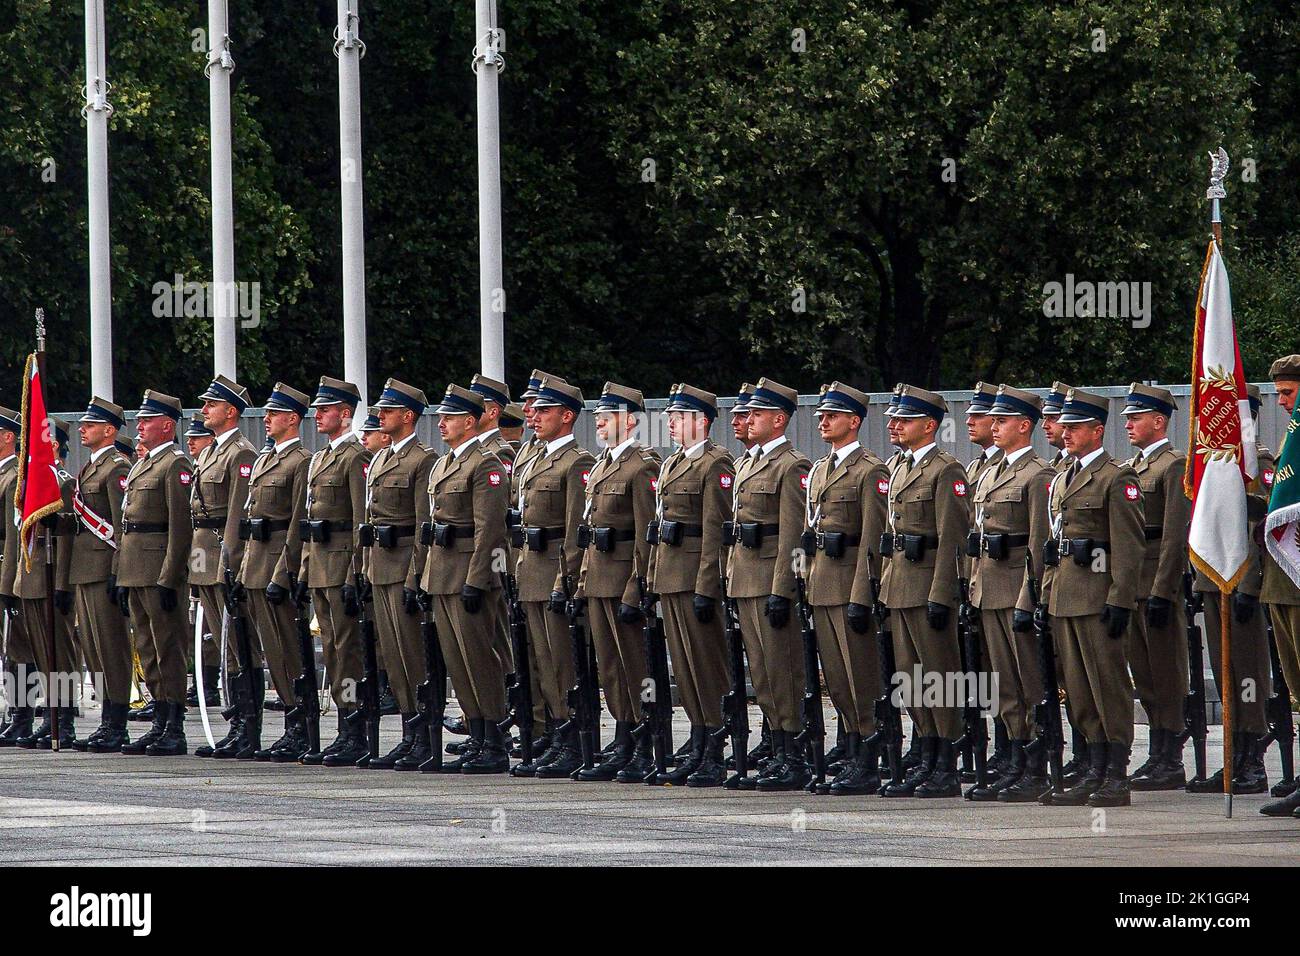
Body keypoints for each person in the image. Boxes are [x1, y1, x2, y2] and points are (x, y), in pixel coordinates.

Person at [1041, 388, 1143, 807]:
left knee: (1107, 686)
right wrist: (1046, 595)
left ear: (1097, 430)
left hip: (1098, 599)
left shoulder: (1116, 477)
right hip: (1065, 597)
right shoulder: (1064, 475)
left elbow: (1129, 546)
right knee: (1080, 691)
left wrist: (1121, 600)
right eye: (1065, 426)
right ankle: (1093, 768)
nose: (1066, 433)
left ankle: (1116, 774)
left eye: (1076, 427)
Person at [879, 385, 970, 797]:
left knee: (938, 677)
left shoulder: (944, 470)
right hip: (899, 586)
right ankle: (928, 754)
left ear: (929, 425)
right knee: (911, 679)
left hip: (928, 586)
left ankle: (946, 764)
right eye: (894, 419)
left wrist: (941, 593)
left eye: (904, 420)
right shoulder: (898, 467)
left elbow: (952, 538)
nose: (894, 425)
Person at [417, 384, 512, 773]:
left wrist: (478, 579)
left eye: (449, 418)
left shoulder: (485, 464)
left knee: (480, 660)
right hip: (441, 573)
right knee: (458, 661)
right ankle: (476, 733)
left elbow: (490, 529)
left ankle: (494, 738)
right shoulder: (443, 464)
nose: (441, 423)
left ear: (469, 422)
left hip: (469, 575)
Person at [966, 386, 1052, 801]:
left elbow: (1038, 544)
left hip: (1016, 592)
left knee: (1027, 681)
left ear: (1024, 426)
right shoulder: (990, 471)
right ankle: (1015, 759)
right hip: (987, 590)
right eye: (993, 420)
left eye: (1001, 421)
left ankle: (1035, 764)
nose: (993, 426)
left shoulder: (1038, 475)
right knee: (1003, 684)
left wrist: (1029, 598)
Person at [804, 382, 889, 794]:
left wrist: (861, 594)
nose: (823, 420)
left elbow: (872, 539)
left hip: (849, 586)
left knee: (860, 678)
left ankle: (869, 758)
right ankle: (853, 749)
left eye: (832, 415)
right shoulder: (821, 469)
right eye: (821, 415)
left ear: (853, 422)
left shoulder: (870, 470)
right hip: (822, 584)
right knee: (836, 680)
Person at [727, 378, 812, 791]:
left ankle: (793, 755)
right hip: (744, 579)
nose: (747, 419)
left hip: (769, 581)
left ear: (778, 420)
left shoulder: (791, 465)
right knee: (760, 674)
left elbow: (793, 534)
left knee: (782, 672)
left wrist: (783, 588)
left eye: (757, 413)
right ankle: (778, 750)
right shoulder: (746, 463)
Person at [647, 384, 734, 785]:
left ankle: (714, 745)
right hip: (671, 574)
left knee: (705, 664)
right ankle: (698, 740)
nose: (671, 424)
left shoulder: (715, 464)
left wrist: (707, 585)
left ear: (700, 421)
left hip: (695, 578)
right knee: (683, 666)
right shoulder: (672, 463)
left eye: (679, 417)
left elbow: (715, 531)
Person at [572, 383, 659, 781]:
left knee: (635, 667)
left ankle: (646, 740)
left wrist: (636, 586)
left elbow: (645, 534)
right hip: (598, 580)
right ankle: (623, 734)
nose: (600, 423)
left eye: (607, 416)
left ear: (630, 421)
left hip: (624, 579)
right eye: (599, 416)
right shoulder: (603, 465)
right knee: (609, 667)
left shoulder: (642, 466)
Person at [512, 378, 595, 778]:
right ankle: (558, 736)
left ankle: (573, 740)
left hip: (556, 574)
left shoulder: (577, 462)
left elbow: (575, 530)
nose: (535, 417)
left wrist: (569, 580)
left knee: (562, 664)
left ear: (567, 416)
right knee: (544, 663)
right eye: (535, 410)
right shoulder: (537, 458)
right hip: (532, 571)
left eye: (544, 411)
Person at [1118, 384, 1192, 792]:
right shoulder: (1135, 466)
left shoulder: (1172, 465)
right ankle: (1157, 752)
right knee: (1144, 674)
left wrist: (1164, 589)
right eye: (1128, 417)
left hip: (1157, 584)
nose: (1128, 423)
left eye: (1136, 417)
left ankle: (1171, 756)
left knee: (1166, 673)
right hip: (1133, 586)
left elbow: (1173, 536)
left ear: (1158, 421)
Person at [363, 378, 435, 769]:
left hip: (404, 564)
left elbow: (424, 525)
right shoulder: (382, 457)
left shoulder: (421, 460)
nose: (380, 417)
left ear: (407, 417)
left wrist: (415, 578)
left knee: (412, 655)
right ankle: (409, 731)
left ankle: (424, 734)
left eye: (387, 411)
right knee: (392, 656)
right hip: (380, 566)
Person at [301, 376, 372, 767]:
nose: (317, 414)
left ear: (345, 415)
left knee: (347, 651)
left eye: (325, 409)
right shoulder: (322, 456)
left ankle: (354, 729)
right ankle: (345, 726)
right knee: (331, 649)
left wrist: (354, 573)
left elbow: (361, 519)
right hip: (320, 564)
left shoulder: (355, 457)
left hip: (342, 563)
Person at [117, 391, 193, 756]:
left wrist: (169, 576)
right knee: (147, 648)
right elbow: (126, 526)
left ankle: (175, 725)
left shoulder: (175, 465)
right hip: (135, 569)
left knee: (168, 648)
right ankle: (160, 718)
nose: (139, 426)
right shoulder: (142, 464)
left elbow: (180, 527)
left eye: (147, 421)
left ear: (167, 425)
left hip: (158, 570)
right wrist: (121, 575)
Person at [189, 376, 259, 758]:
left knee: (237, 644)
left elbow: (235, 514)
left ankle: (248, 727)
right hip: (205, 558)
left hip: (222, 557)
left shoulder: (239, 453)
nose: (204, 411)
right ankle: (236, 724)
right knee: (223, 642)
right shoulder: (211, 452)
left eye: (211, 405)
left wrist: (231, 564)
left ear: (230, 411)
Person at [69, 398, 135, 752]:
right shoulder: (90, 467)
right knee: (93, 648)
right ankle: (108, 717)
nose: (83, 429)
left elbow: (120, 527)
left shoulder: (116, 468)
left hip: (103, 567)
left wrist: (117, 571)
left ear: (109, 431)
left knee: (111, 647)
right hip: (84, 568)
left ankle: (117, 720)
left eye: (91, 425)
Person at [12, 419, 78, 750]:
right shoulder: (32, 484)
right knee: (41, 653)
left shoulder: (61, 484)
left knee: (60, 654)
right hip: (31, 575)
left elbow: (66, 540)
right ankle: (48, 716)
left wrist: (64, 585)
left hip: (53, 579)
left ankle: (64, 721)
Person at [0, 406, 38, 745]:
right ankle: (15, 715)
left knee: (17, 647)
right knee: (9, 648)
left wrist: (8, 581)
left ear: (8, 436)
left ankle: (22, 716)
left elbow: (14, 536)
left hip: (5, 566)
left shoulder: (14, 477)